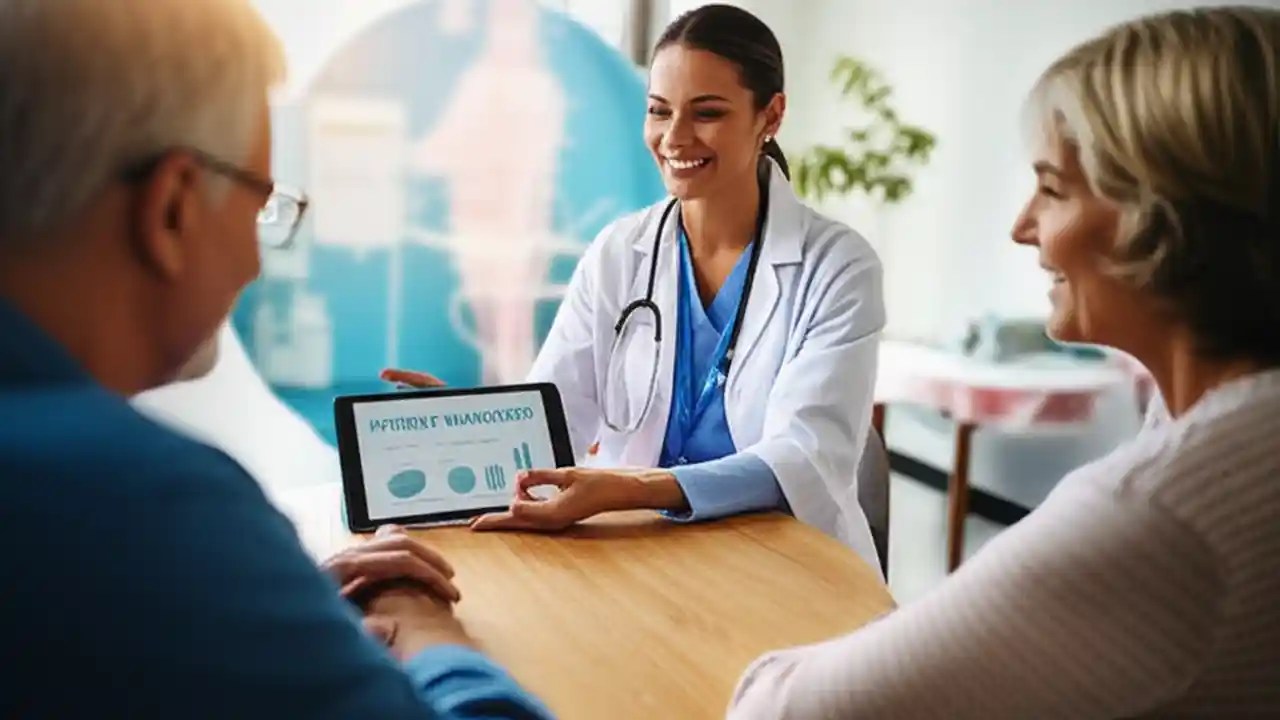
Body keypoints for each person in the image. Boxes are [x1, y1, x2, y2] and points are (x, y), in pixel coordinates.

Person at [0, 1, 552, 717]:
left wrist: (262, 600)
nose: (258, 261)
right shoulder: (138, 502)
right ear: (173, 207)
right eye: (263, 205)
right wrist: (424, 625)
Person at [726, 6, 1280, 718]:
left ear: (1168, 222)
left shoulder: (1161, 516)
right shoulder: (1209, 429)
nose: (1022, 226)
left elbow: (791, 709)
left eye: (1052, 188)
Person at [385, 4, 887, 571]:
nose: (674, 137)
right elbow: (556, 416)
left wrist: (633, 489)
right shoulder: (620, 252)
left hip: (784, 560)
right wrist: (469, 427)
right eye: (658, 111)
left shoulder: (838, 267)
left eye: (708, 113)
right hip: (641, 553)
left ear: (770, 116)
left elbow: (804, 459)